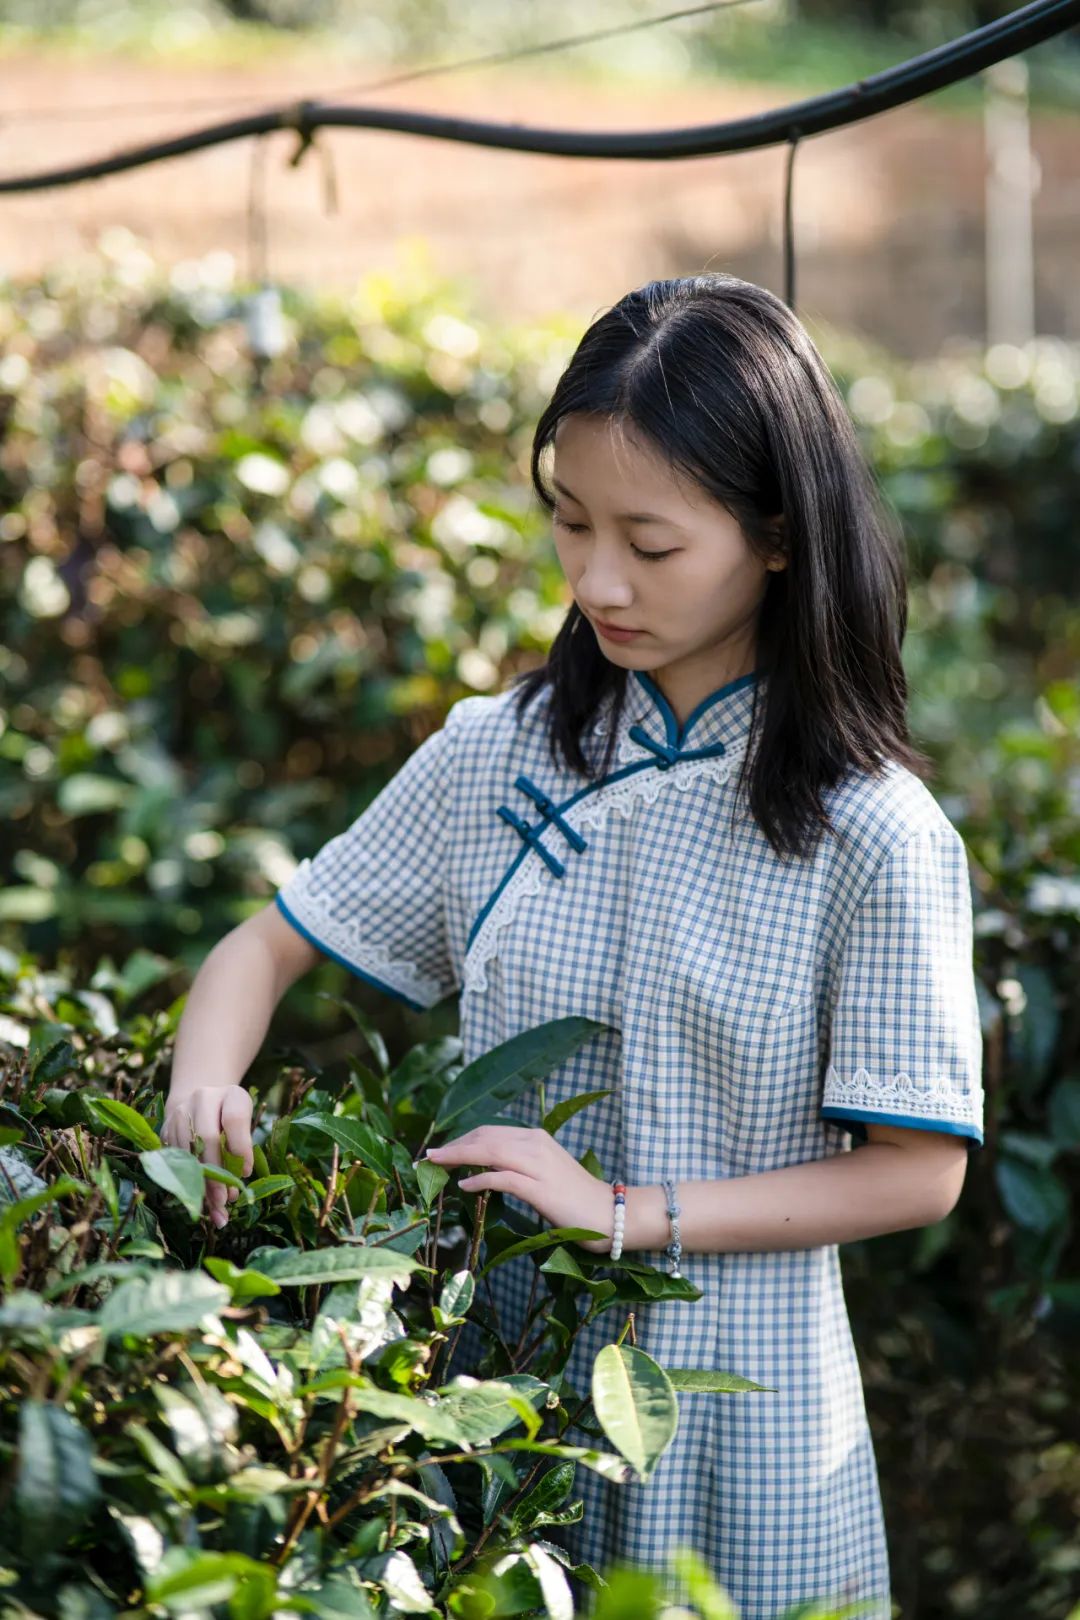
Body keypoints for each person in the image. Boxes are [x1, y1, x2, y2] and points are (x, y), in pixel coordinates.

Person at [161, 273, 985, 1620]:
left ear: (779, 536)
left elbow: (920, 1172)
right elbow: (263, 949)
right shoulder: (502, 751)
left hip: (743, 1409)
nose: (598, 579)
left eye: (650, 546)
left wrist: (621, 1216)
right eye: (569, 523)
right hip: (497, 1391)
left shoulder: (874, 831)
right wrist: (204, 1090)